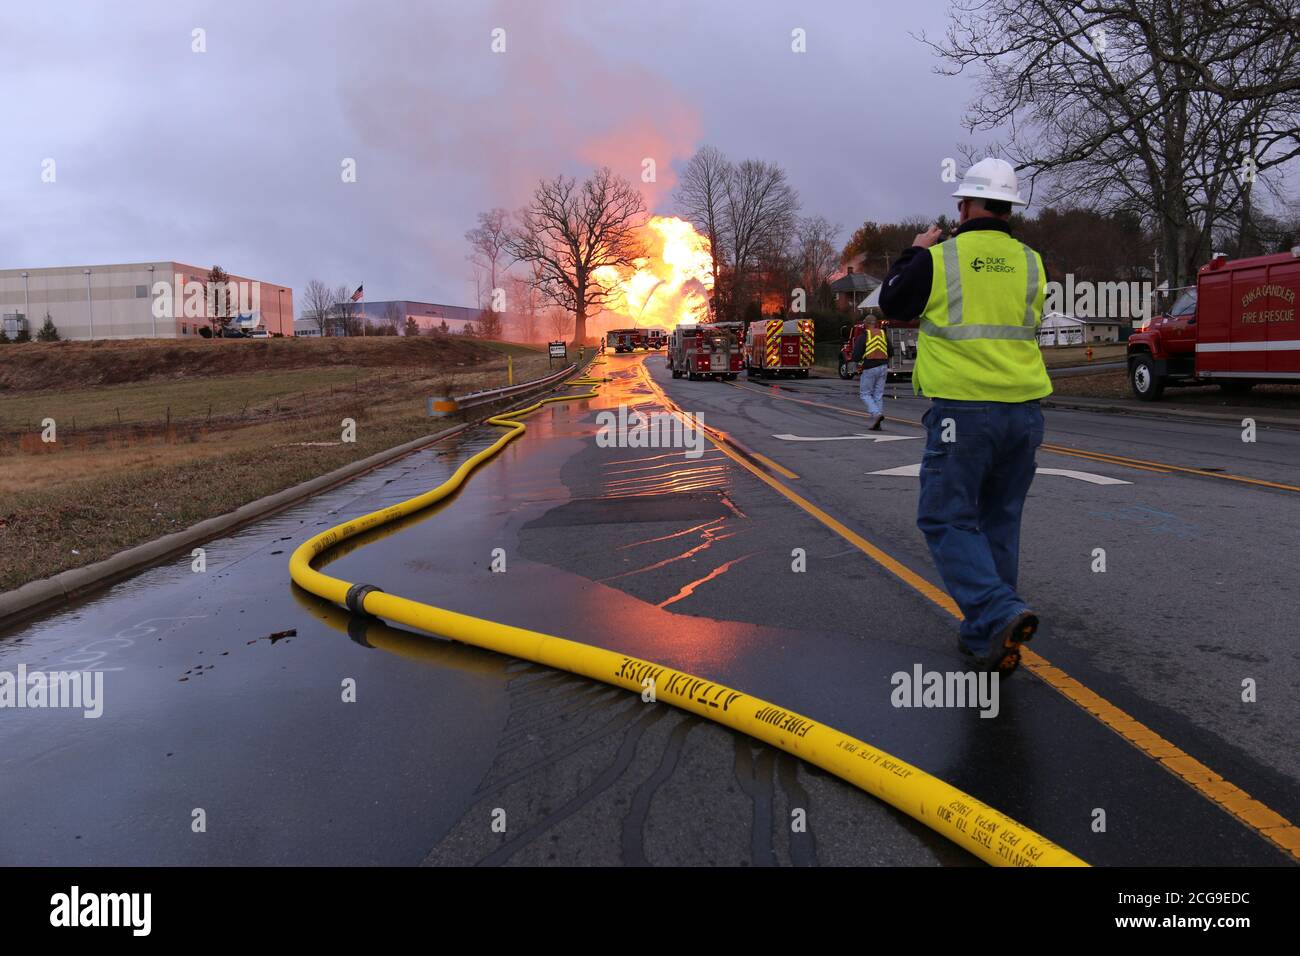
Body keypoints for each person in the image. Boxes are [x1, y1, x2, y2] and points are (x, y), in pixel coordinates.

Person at [878, 157, 1052, 677]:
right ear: (1010, 208)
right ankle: (986, 637)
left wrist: (916, 249)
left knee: (944, 517)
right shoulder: (1032, 262)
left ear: (966, 205)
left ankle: (998, 611)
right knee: (999, 519)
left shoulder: (941, 260)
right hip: (1023, 413)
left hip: (963, 414)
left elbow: (892, 304)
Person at [850, 314, 892, 429]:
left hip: (870, 367)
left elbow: (856, 355)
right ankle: (877, 424)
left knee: (865, 394)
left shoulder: (864, 336)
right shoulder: (883, 335)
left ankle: (876, 414)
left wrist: (856, 361)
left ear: (866, 324)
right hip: (883, 367)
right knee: (878, 395)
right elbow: (891, 351)